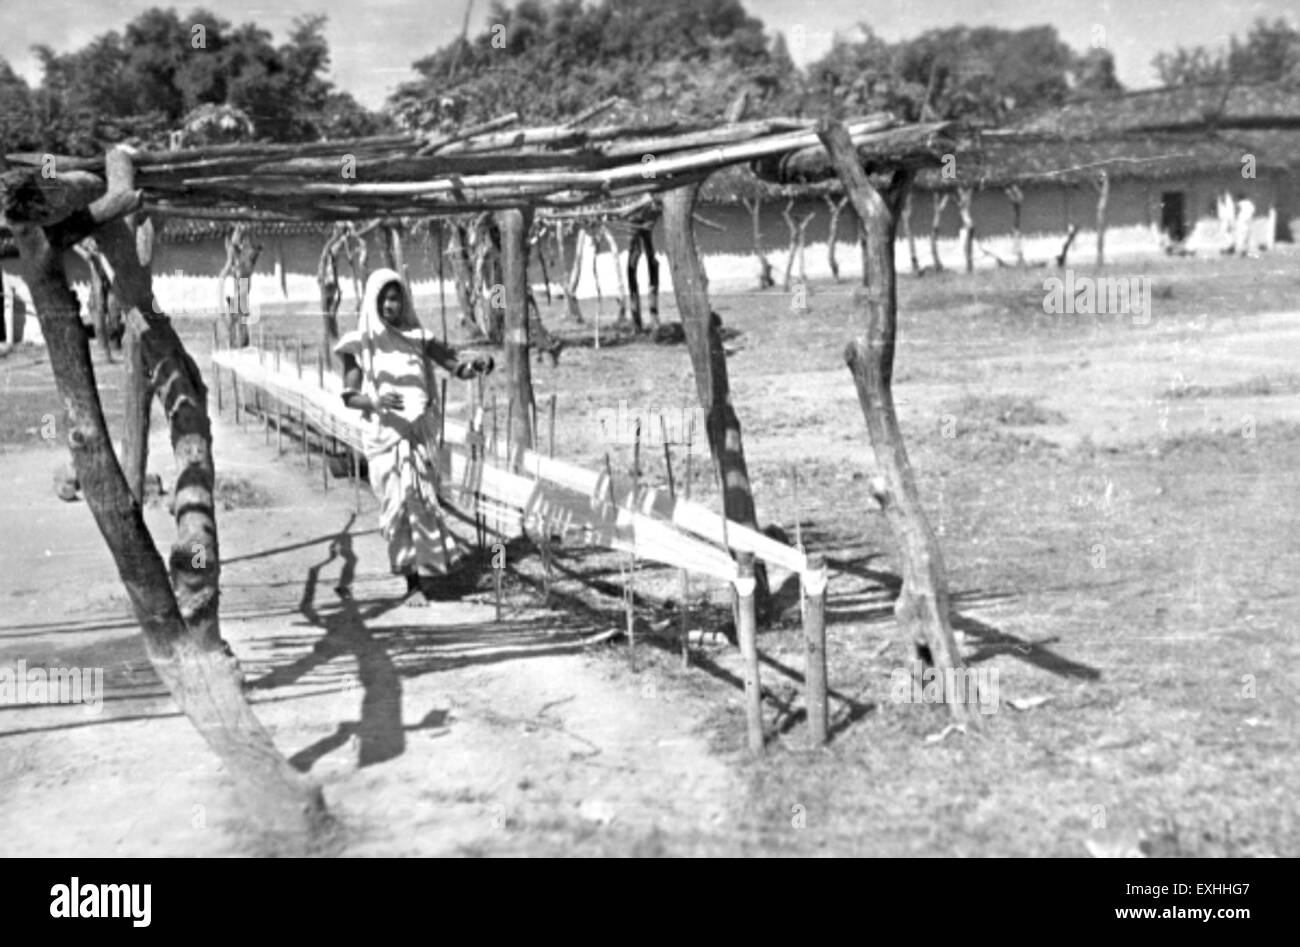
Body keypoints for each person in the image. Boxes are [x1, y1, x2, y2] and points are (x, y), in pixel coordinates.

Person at [335, 268, 494, 602]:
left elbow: (453, 365)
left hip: (417, 436)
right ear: (373, 302)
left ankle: (427, 578)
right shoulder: (359, 343)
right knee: (396, 506)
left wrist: (475, 366)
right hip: (385, 438)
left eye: (396, 298)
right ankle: (411, 582)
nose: (390, 305)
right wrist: (375, 401)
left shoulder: (418, 337)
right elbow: (350, 396)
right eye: (384, 299)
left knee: (421, 501)